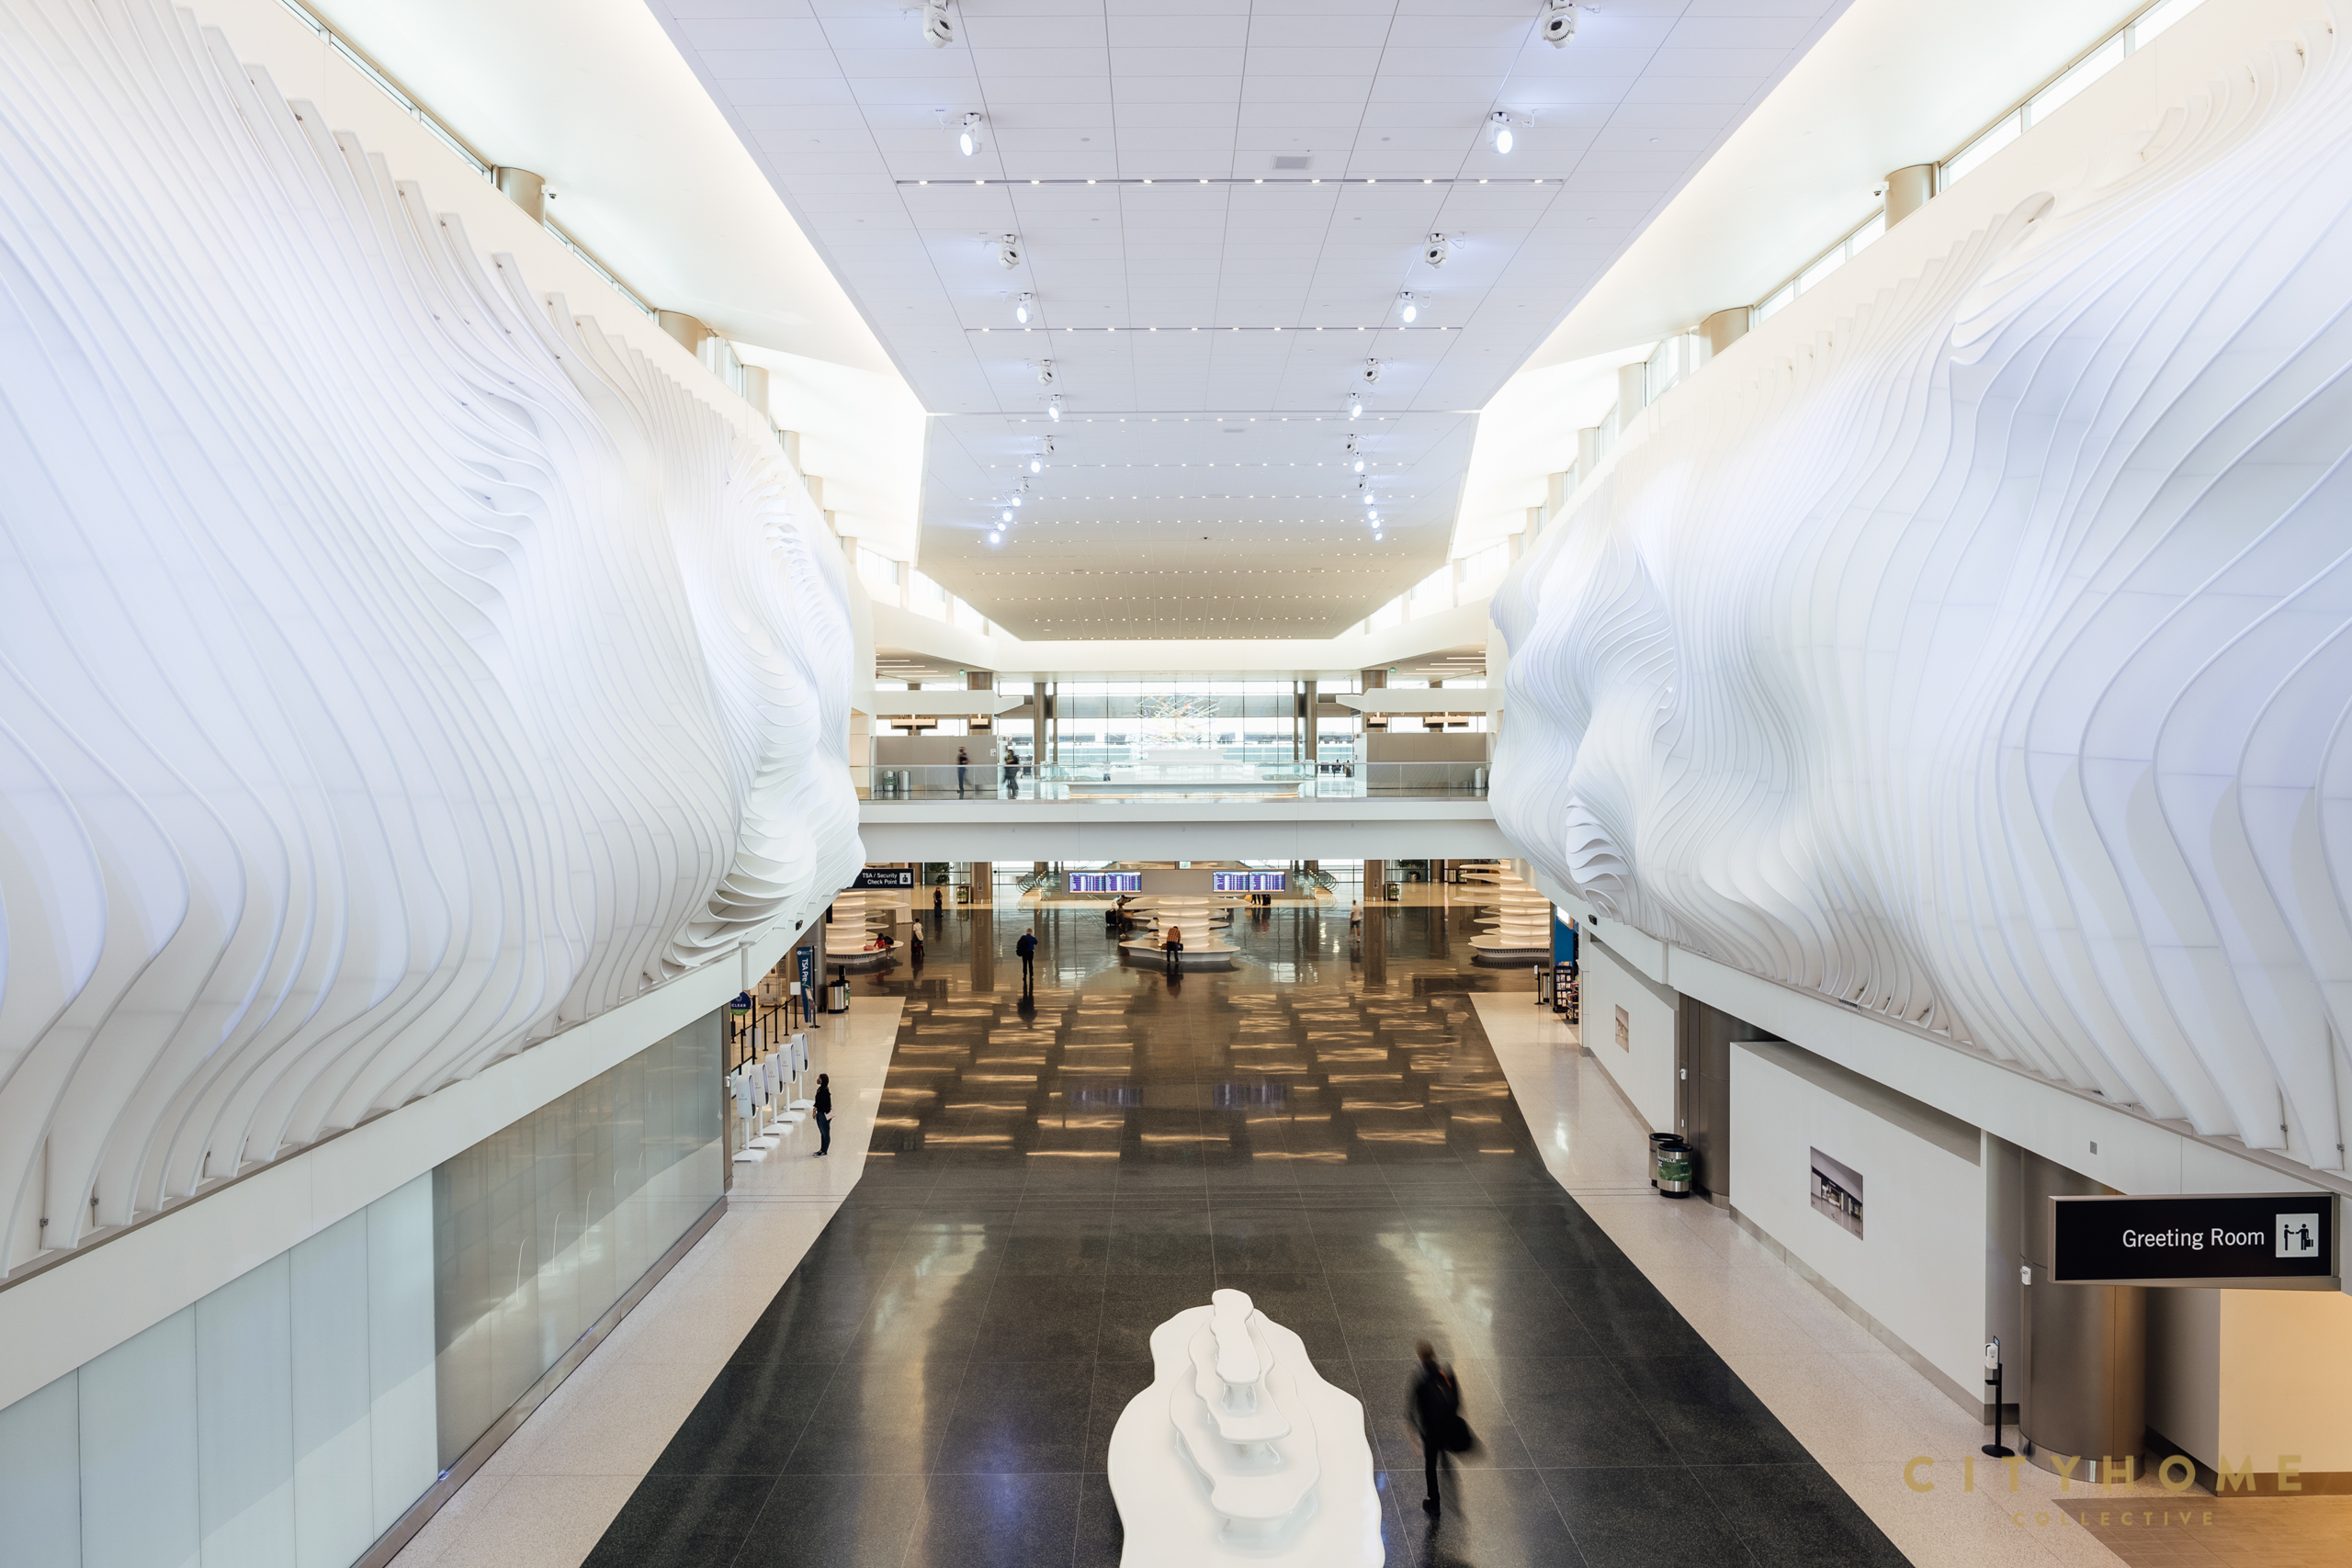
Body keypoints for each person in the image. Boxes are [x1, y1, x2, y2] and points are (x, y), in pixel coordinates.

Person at [1408, 1341, 1464, 1517]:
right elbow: (1457, 1402)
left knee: (1430, 1466)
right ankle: (1449, 1472)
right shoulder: (1445, 1375)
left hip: (1431, 1433)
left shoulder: (1420, 1381)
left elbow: (1412, 1409)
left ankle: (1434, 1503)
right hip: (1446, 1428)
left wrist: (1414, 1437)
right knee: (1442, 1455)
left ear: (1420, 1358)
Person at [811, 1072, 832, 1156]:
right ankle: (822, 1149)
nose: (818, 1080)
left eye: (819, 1078)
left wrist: (815, 1110)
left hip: (824, 1114)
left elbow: (820, 1103)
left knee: (825, 1133)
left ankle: (824, 1150)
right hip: (820, 1113)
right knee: (822, 1133)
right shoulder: (820, 1089)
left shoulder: (825, 1091)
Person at [1016, 927, 1037, 994]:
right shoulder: (1032, 938)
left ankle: (1025, 975)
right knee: (1030, 963)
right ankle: (1031, 974)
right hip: (1030, 952)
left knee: (1024, 963)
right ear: (1031, 932)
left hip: (1024, 952)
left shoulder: (1023, 937)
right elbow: (1036, 942)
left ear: (1026, 932)